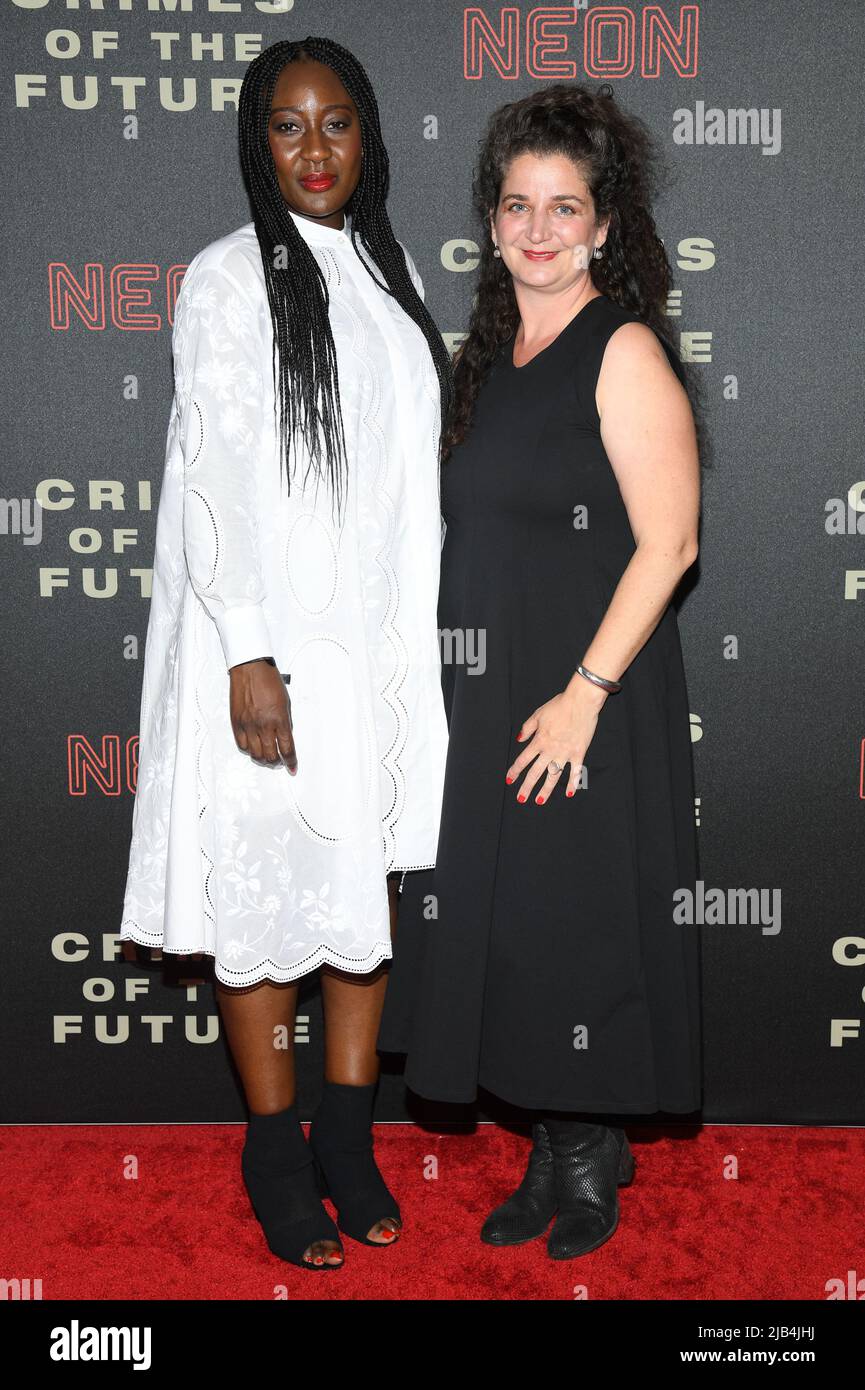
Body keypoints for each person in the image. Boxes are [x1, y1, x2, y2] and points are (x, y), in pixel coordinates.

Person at [119, 36, 453, 1270]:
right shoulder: (222, 279)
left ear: (368, 137)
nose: (314, 150)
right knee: (264, 897)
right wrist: (248, 653)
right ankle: (275, 1151)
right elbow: (210, 479)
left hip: (367, 649)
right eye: (286, 127)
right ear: (257, 145)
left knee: (356, 894)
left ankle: (350, 1136)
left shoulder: (389, 268)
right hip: (261, 655)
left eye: (336, 125)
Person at [378, 82, 705, 1260]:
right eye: (517, 205)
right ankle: (556, 1138)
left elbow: (670, 542)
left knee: (575, 923)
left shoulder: (618, 350)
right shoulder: (488, 356)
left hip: (586, 695)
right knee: (512, 921)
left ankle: (582, 1150)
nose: (538, 229)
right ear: (489, 215)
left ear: (605, 225)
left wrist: (584, 695)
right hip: (490, 691)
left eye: (565, 208)